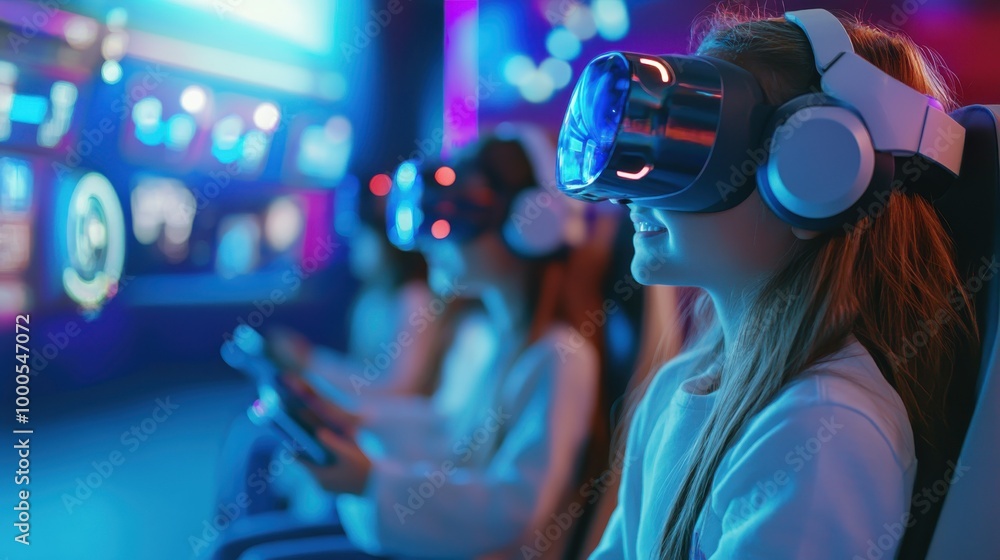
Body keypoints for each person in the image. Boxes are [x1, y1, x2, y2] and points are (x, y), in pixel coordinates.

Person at [554, 8, 979, 559]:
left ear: (818, 174)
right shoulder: (681, 383)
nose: (635, 189)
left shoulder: (821, 429)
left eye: (695, 148)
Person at [221, 124, 608, 559]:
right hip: (436, 545)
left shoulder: (561, 357)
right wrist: (352, 419)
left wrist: (372, 482)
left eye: (458, 216)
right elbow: (445, 431)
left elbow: (514, 510)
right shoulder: (489, 336)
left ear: (531, 223)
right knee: (237, 547)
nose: (431, 239)